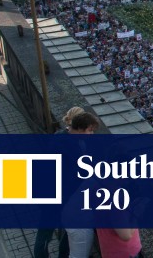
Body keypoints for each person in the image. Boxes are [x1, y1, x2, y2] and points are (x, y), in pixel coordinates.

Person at [32, 107, 87, 258]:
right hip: (58, 195)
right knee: (47, 233)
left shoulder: (60, 136)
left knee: (48, 233)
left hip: (55, 193)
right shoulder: (70, 145)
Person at [66, 112, 100, 258]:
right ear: (80, 128)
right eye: (90, 130)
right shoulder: (67, 148)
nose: (91, 134)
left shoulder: (71, 140)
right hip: (76, 214)